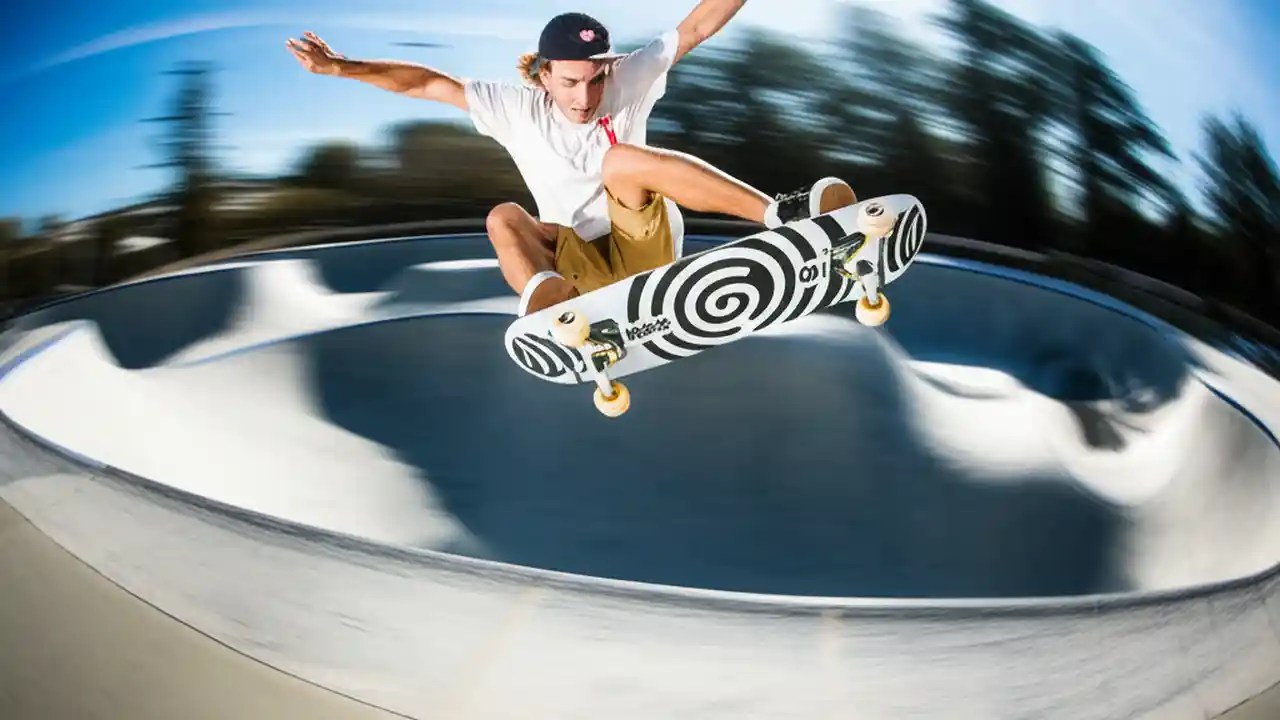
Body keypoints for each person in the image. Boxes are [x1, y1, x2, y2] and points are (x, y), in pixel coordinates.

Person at [286, 3, 856, 316]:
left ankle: (785, 216)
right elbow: (427, 84)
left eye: (596, 79)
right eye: (569, 83)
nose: (585, 98)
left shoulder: (630, 76)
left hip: (645, 247)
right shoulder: (513, 109)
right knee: (503, 217)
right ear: (542, 75)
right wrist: (343, 68)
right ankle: (551, 309)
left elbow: (697, 26)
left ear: (607, 68)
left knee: (620, 160)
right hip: (575, 269)